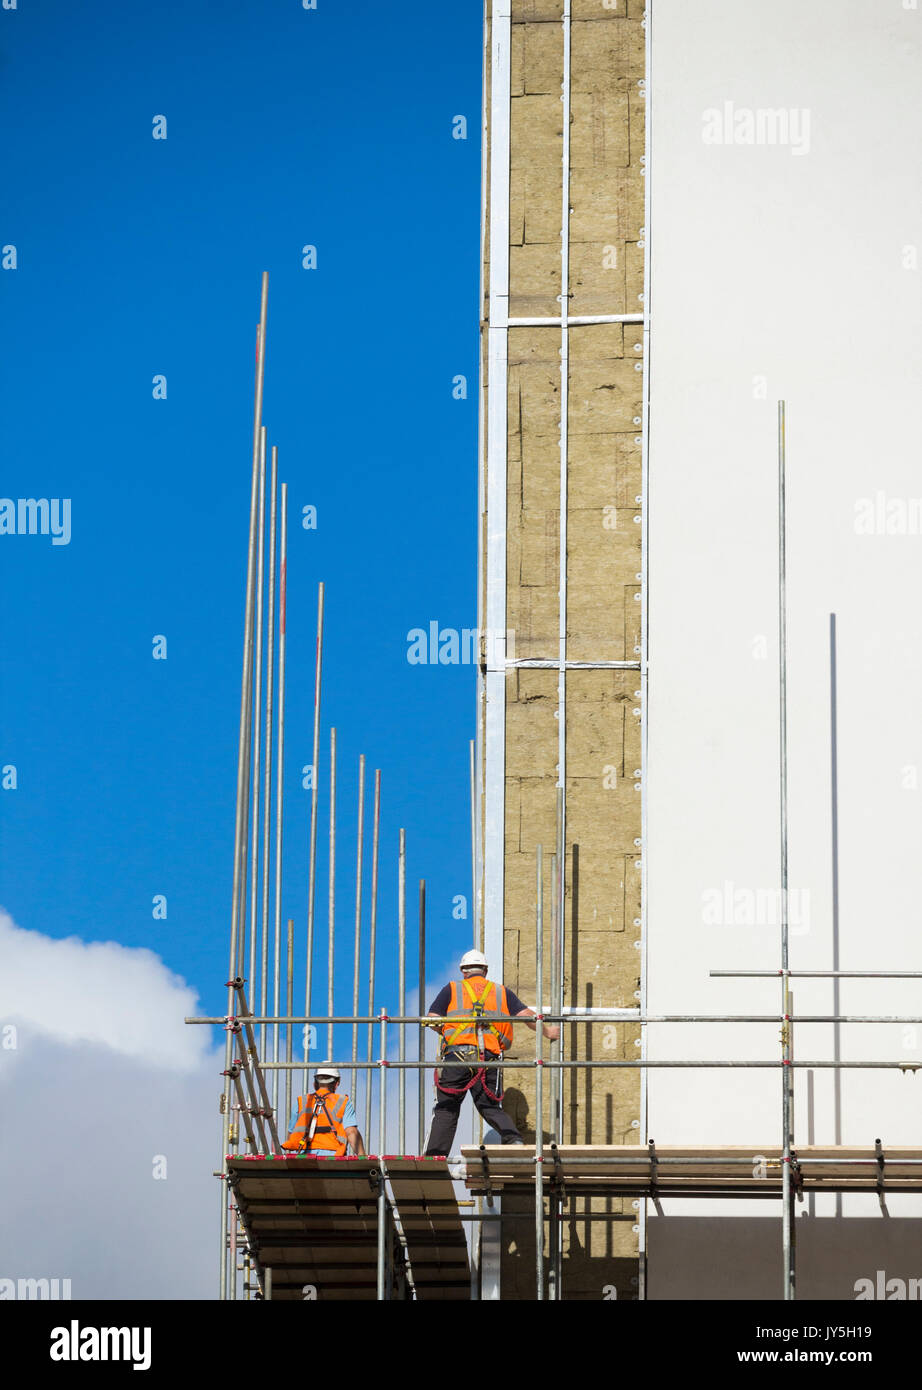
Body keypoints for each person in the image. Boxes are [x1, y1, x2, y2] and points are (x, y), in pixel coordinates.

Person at [423, 949, 560, 1157]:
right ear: (485, 970)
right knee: (490, 1106)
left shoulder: (452, 989)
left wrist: (448, 1031)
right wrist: (548, 1032)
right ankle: (513, 1139)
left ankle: (434, 1157)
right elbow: (527, 1016)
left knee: (446, 1109)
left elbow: (432, 1018)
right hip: (488, 1058)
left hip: (457, 1057)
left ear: (463, 971)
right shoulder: (501, 992)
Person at [282, 1063, 366, 1157]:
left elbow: (291, 1134)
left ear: (315, 1084)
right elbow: (351, 1132)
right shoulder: (343, 1101)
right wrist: (362, 1158)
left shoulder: (301, 1101)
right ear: (337, 1083)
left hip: (305, 1157)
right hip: (333, 1157)